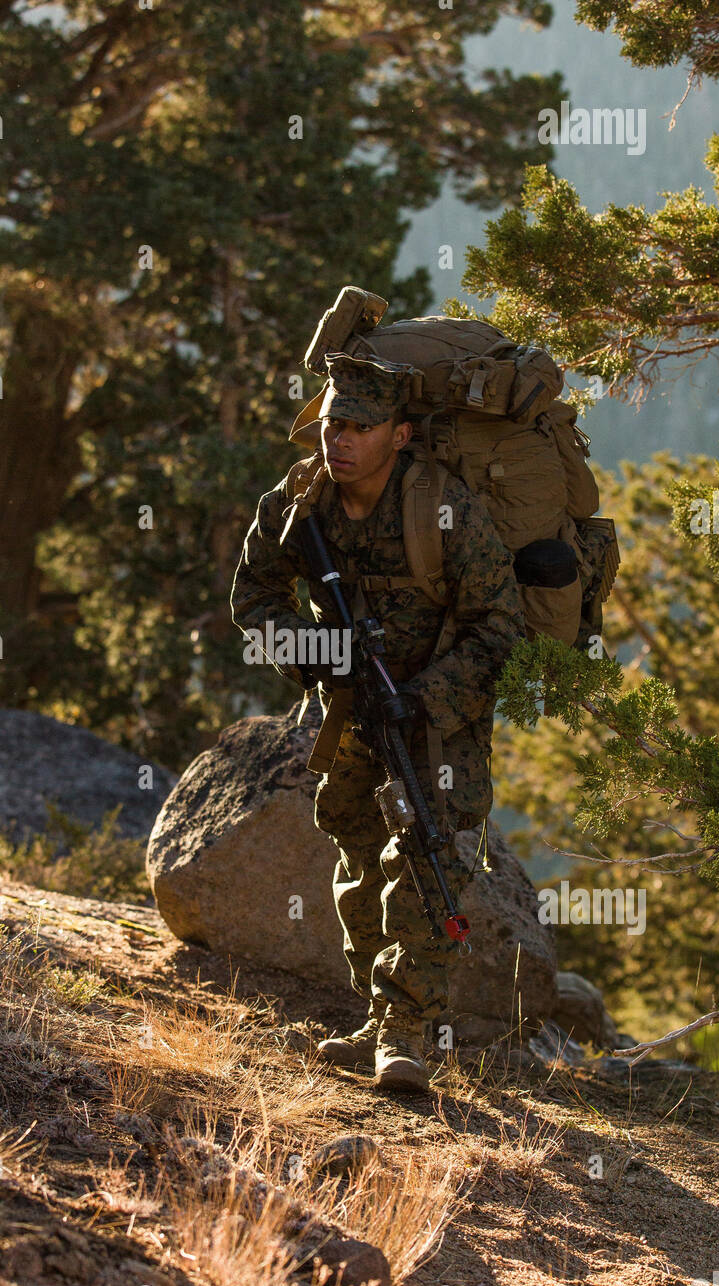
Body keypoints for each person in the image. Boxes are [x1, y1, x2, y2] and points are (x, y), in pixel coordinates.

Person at [231, 352, 525, 1092]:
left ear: (399, 434)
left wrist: (424, 696)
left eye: (361, 427)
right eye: (334, 423)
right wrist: (320, 656)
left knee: (426, 859)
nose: (341, 440)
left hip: (440, 715)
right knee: (359, 850)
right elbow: (254, 596)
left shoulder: (444, 509)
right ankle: (373, 1016)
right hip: (351, 706)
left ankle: (406, 1032)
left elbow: (498, 626)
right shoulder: (301, 500)